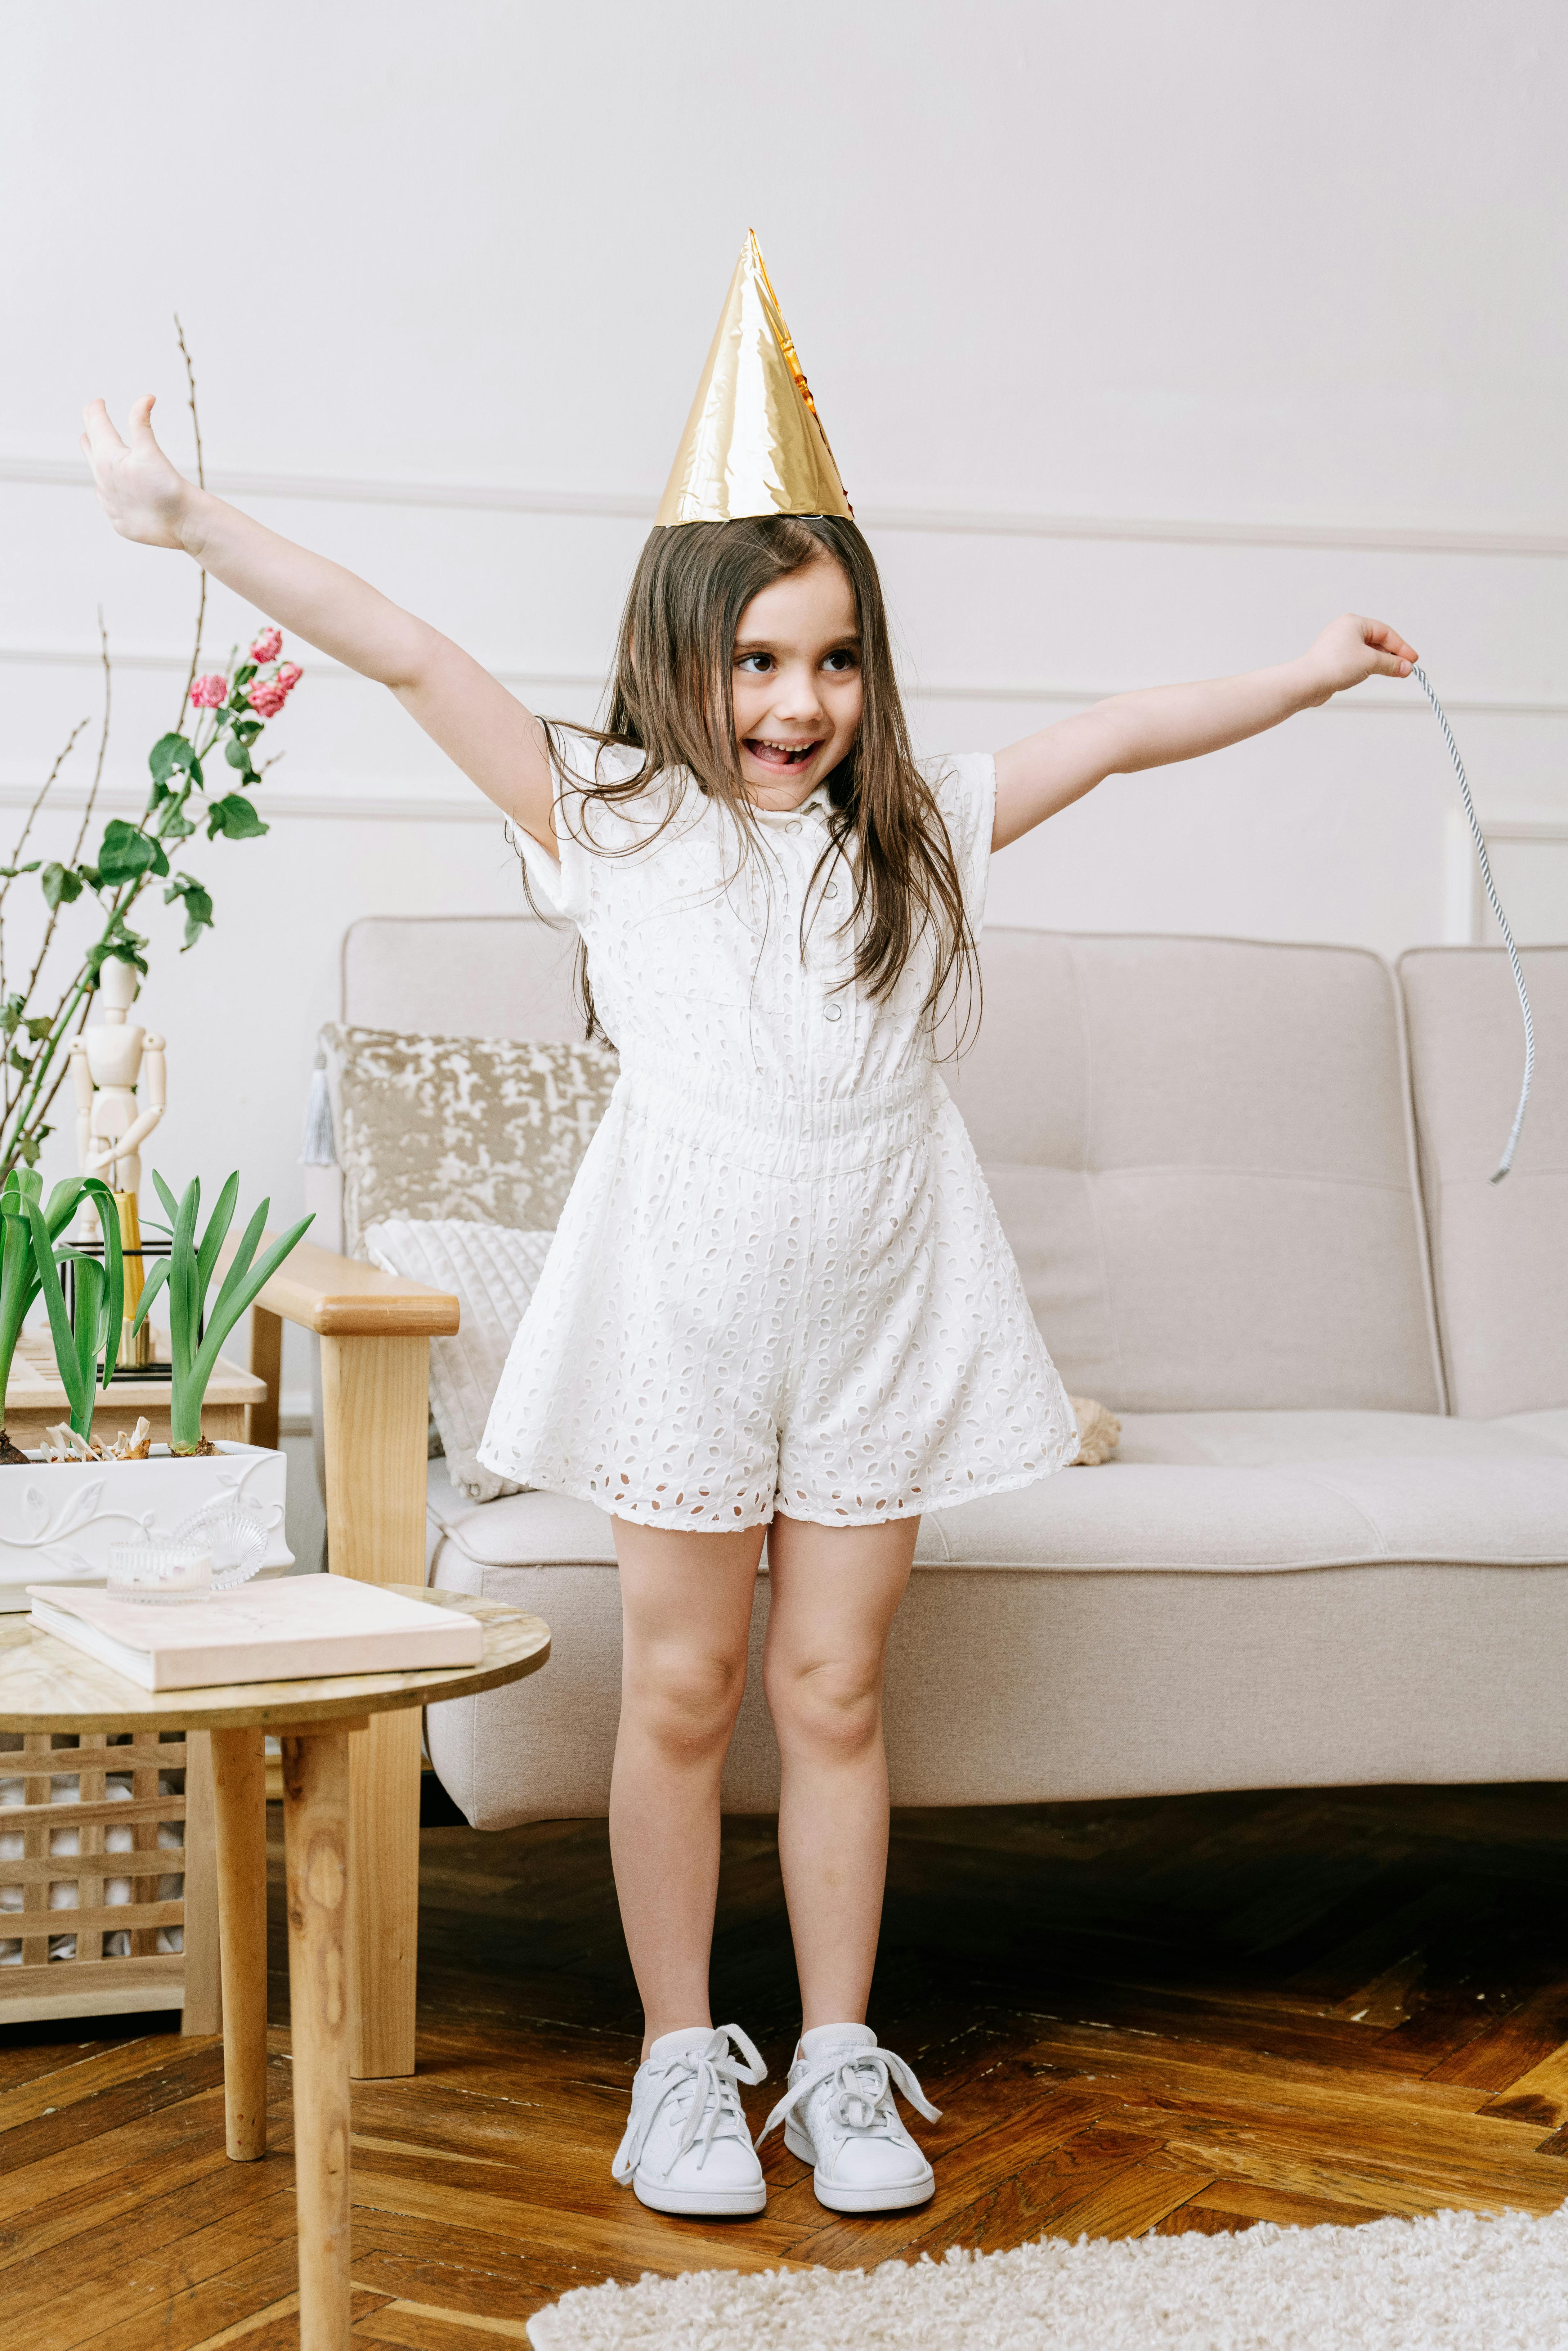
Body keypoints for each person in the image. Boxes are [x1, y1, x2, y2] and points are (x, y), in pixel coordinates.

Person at [80, 231, 1416, 2224]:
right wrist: (195, 524)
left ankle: (842, 2053)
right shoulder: (609, 817)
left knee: (837, 1694)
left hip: (880, 1313)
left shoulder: (921, 824)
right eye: (760, 656)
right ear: (681, 655)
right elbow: (406, 646)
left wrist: (1309, 675)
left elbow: (1128, 728)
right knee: (688, 1692)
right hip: (690, 1321)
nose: (798, 702)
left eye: (836, 656)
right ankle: (675, 2058)